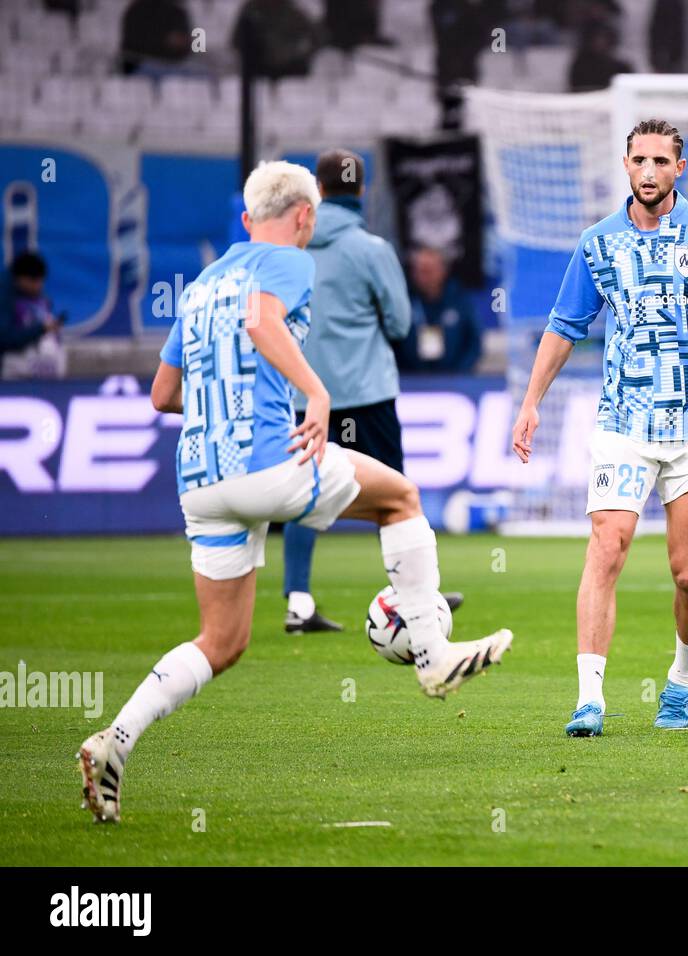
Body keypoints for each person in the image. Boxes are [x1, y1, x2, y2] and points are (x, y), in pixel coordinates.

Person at [77, 162, 513, 824]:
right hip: (268, 459)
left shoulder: (199, 285)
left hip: (200, 481)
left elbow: (163, 394)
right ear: (305, 216)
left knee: (221, 642)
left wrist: (228, 407)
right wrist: (314, 390)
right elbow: (261, 320)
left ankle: (115, 738)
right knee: (401, 498)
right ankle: (432, 654)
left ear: (247, 217)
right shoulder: (286, 262)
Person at [511, 118, 688, 737]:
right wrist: (531, 401)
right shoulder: (598, 243)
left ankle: (682, 680)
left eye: (660, 162)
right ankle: (589, 699)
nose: (649, 171)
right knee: (608, 545)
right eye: (638, 160)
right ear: (625, 165)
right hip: (624, 422)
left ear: (679, 168)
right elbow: (565, 326)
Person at [282, 149, 462, 632]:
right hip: (366, 393)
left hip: (305, 395)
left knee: (305, 495)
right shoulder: (372, 249)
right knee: (397, 496)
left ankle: (298, 603)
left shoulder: (291, 250)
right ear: (362, 191)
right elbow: (402, 322)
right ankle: (418, 594)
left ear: (318, 192)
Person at [397, 246, 482, 373]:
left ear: (443, 271)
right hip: (411, 380)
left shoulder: (460, 300)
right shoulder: (403, 300)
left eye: (428, 271)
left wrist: (460, 374)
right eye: (418, 271)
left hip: (455, 379)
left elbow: (474, 343)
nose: (422, 277)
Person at [0, 252, 65, 380]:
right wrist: (41, 329)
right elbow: (4, 339)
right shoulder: (4, 296)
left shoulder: (38, 298)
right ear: (21, 279)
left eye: (41, 281)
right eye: (35, 282)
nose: (39, 287)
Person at [120, 0, 193, 76]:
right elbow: (132, 45)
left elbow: (186, 46)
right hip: (139, 65)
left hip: (175, 66)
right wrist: (165, 41)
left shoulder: (178, 13)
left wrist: (182, 43)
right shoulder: (137, 10)